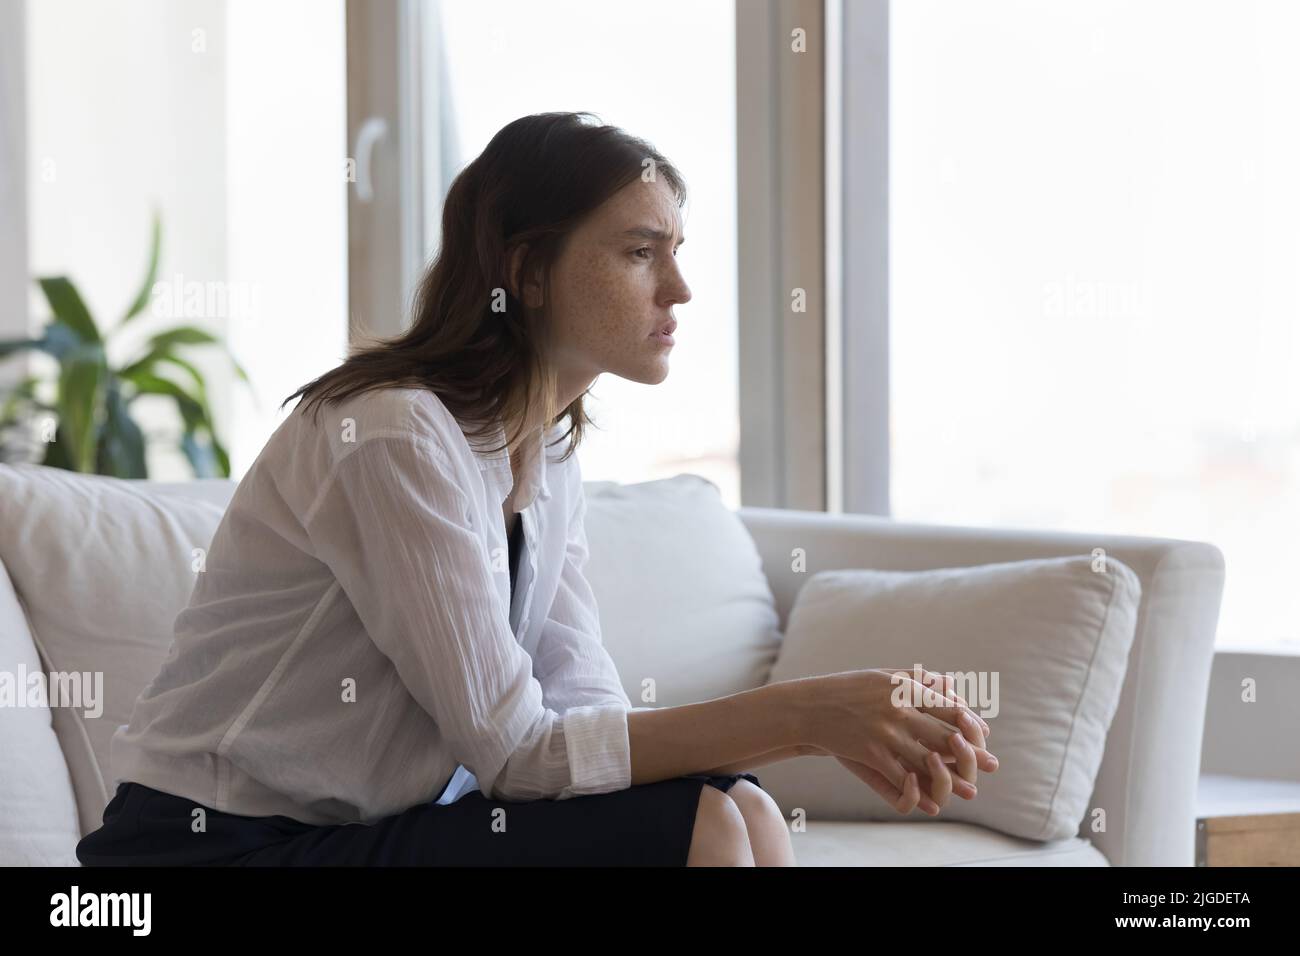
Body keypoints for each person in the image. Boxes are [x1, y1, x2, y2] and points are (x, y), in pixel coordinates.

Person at [76, 112, 997, 868]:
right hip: (205, 851)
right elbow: (515, 754)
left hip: (353, 834)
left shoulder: (545, 459)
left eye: (675, 251)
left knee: (741, 808)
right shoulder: (395, 434)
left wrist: (817, 729)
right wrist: (809, 714)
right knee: (705, 827)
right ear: (525, 271)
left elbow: (581, 719)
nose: (679, 287)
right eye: (641, 252)